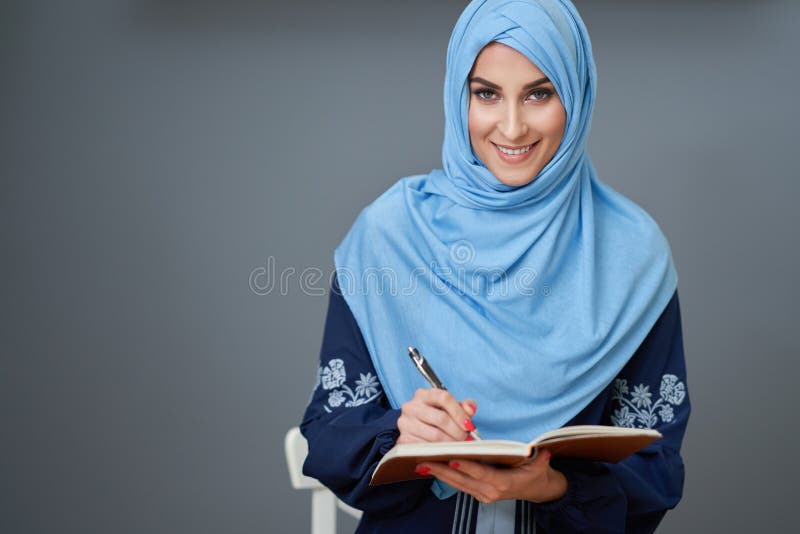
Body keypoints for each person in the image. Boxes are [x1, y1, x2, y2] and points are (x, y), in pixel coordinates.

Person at [300, 0, 690, 532]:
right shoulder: (388, 236)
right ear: (459, 96)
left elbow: (658, 469)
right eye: (487, 94)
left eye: (539, 93)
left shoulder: (632, 255)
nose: (511, 126)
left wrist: (554, 487)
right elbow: (328, 434)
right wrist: (402, 432)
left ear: (576, 96)